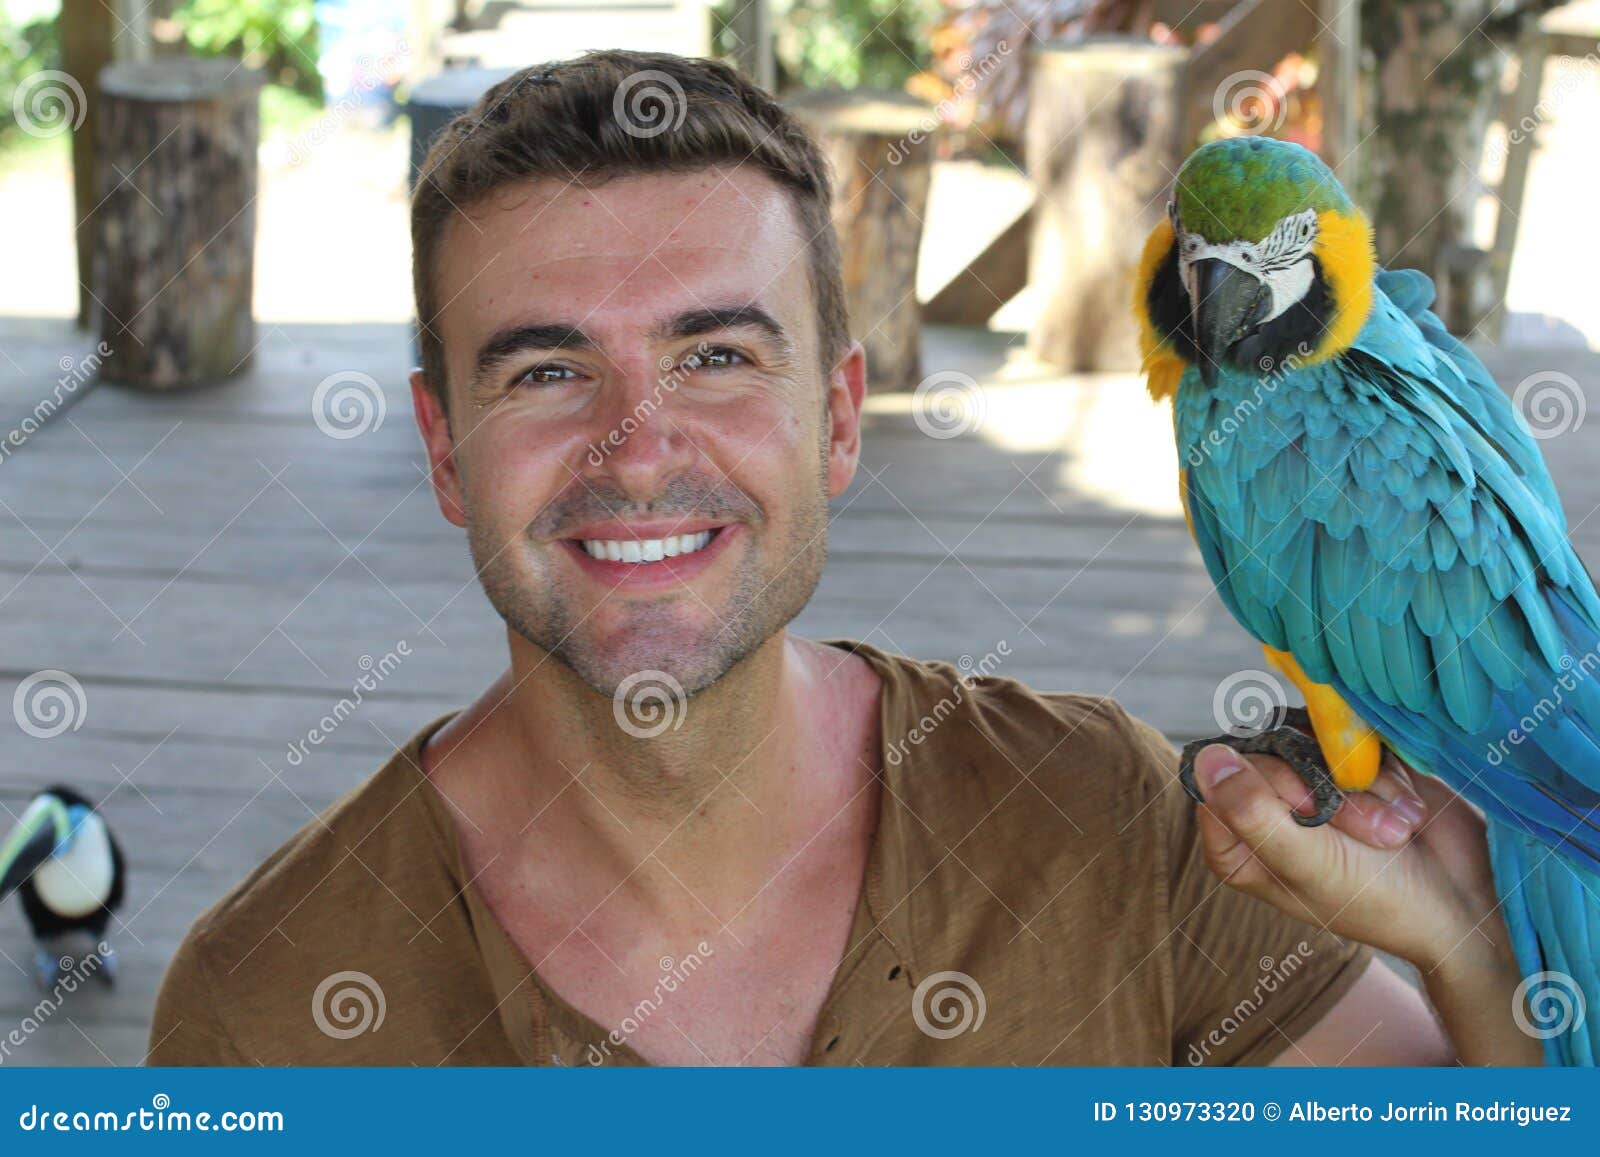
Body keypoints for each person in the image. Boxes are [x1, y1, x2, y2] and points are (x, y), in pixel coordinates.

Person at [147, 50, 1538, 1067]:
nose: (638, 450)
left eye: (714, 356)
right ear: (446, 453)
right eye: (546, 371)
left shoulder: (1125, 824)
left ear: (839, 418)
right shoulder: (262, 1008)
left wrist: (1471, 942)